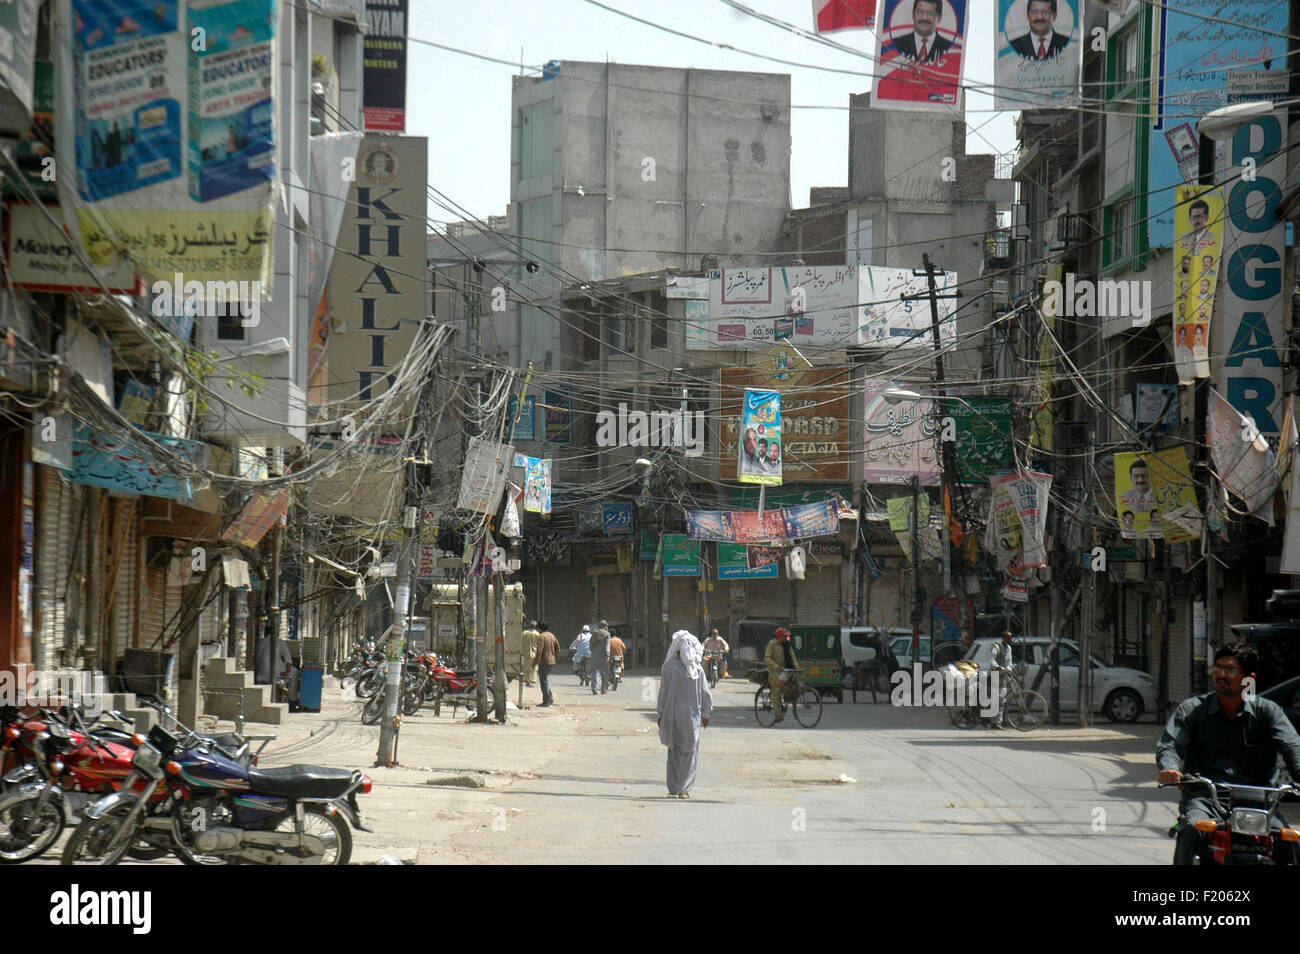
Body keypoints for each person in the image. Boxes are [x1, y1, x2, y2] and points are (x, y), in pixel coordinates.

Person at [1157, 643, 1300, 864]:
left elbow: (1293, 747)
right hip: (1206, 798)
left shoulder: (1268, 712)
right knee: (1192, 830)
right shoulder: (1193, 710)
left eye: (1231, 670)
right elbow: (1171, 744)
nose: (1222, 674)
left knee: (1288, 841)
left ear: (1249, 679)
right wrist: (1170, 767)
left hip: (1258, 803)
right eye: (1218, 667)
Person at [657, 630, 713, 798]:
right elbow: (705, 694)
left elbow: (663, 692)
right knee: (690, 752)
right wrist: (706, 714)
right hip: (692, 716)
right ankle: (684, 789)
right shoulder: (698, 670)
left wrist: (660, 713)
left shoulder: (669, 667)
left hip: (672, 714)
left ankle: (672, 788)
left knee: (673, 749)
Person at [892, 0, 951, 64]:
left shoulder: (949, 47)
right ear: (913, 15)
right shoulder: (897, 44)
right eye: (920, 12)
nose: (924, 18)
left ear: (939, 18)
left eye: (930, 13)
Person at [764, 626, 799, 723]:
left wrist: (797, 667)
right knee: (776, 690)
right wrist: (776, 666)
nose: (786, 638)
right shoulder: (772, 644)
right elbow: (767, 658)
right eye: (784, 636)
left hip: (785, 671)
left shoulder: (787, 645)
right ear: (779, 637)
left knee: (794, 684)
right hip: (774, 673)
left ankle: (787, 698)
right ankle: (778, 715)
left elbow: (792, 656)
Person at [255, 633, 298, 709]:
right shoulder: (280, 642)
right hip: (274, 673)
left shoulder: (260, 642)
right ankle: (292, 699)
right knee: (294, 672)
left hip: (260, 673)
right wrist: (287, 672)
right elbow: (288, 660)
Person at [989, 630, 1015, 729]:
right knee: (998, 699)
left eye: (1011, 638)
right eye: (1008, 638)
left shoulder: (1009, 648)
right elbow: (992, 659)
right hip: (996, 675)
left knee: (1002, 700)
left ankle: (998, 721)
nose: (1010, 640)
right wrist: (996, 666)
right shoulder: (996, 646)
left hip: (1004, 675)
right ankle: (995, 722)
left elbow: (1009, 662)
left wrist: (1009, 670)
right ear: (1003, 638)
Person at [532, 621, 560, 707]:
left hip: (544, 661)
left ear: (540, 628)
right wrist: (553, 655)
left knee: (543, 681)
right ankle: (549, 698)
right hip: (551, 661)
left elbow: (539, 651)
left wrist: (535, 662)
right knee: (545, 680)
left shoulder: (542, 636)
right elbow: (558, 648)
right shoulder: (552, 635)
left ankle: (546, 701)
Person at [589, 620, 612, 694]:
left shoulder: (595, 633)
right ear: (605, 626)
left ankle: (594, 689)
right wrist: (608, 655)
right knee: (604, 673)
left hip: (595, 655)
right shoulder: (607, 634)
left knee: (595, 672)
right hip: (603, 656)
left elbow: (591, 644)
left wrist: (593, 652)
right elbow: (607, 646)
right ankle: (603, 689)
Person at [521, 620, 541, 687]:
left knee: (527, 668)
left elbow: (521, 642)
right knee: (534, 668)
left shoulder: (524, 633)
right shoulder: (537, 634)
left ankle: (527, 681)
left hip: (526, 653)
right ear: (536, 626)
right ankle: (532, 681)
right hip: (535, 653)